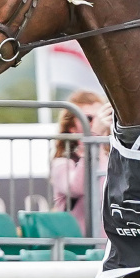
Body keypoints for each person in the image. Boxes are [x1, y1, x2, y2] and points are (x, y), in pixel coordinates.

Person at [49, 90, 112, 234]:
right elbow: (77, 187)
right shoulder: (63, 162)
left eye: (101, 117)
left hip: (112, 247)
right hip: (80, 251)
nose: (98, 123)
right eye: (89, 119)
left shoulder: (115, 158)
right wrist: (93, 138)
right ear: (71, 128)